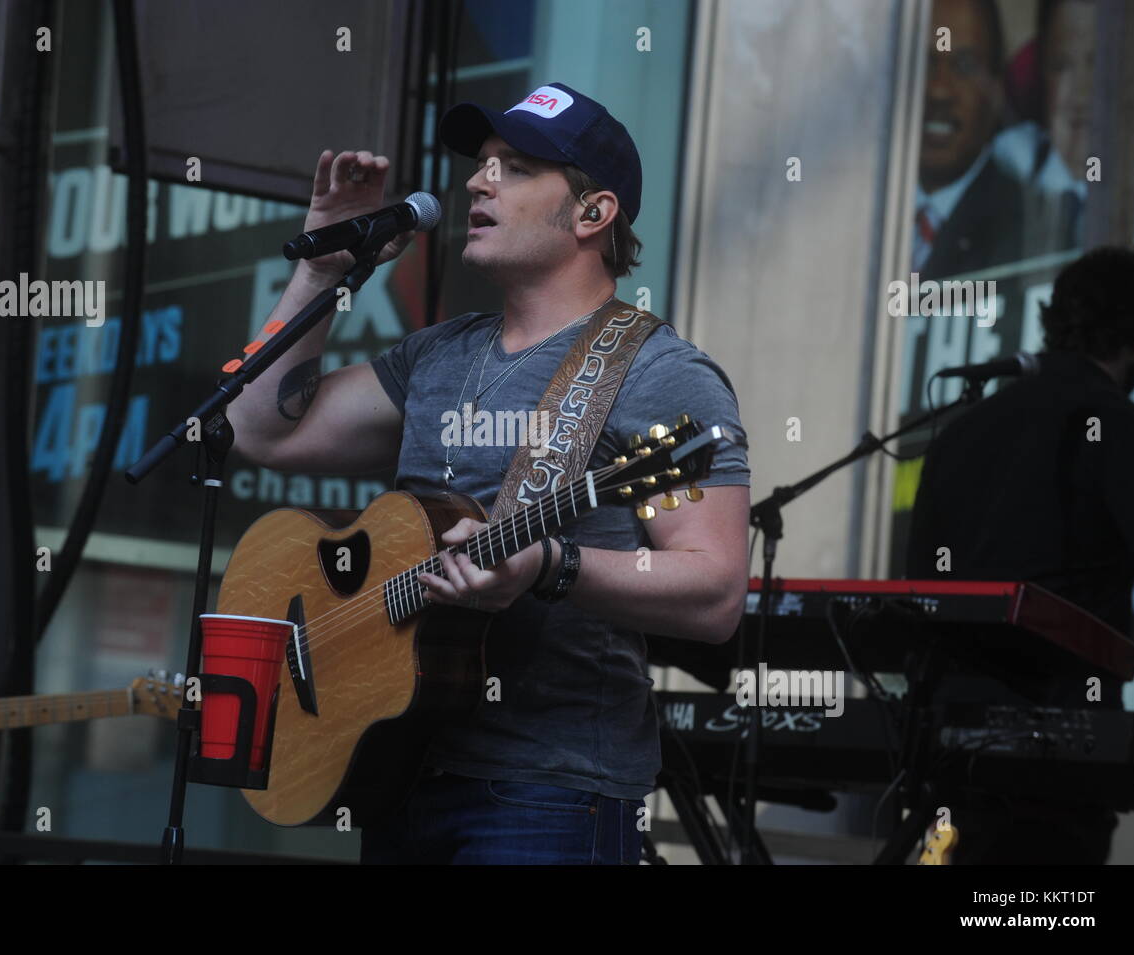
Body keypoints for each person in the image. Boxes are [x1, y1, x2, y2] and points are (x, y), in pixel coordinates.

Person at [229, 82, 751, 864]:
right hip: (397, 762)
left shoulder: (660, 373)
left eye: (514, 167)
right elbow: (256, 425)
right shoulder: (436, 354)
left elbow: (715, 593)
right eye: (481, 166)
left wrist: (553, 563)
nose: (478, 181)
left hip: (548, 787)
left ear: (591, 213)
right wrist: (324, 271)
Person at [906, 246, 1134, 863]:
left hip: (948, 748)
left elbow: (919, 591)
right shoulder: (1117, 424)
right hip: (1061, 751)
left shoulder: (961, 430)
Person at [914, 0, 1025, 279]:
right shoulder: (846, 204)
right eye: (923, 62)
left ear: (997, 91)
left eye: (963, 66)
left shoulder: (1028, 222)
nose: (938, 90)